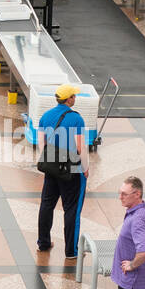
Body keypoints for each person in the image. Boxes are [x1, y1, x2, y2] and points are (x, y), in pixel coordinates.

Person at [36, 84, 88, 258]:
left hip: (51, 166)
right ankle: (71, 251)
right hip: (71, 168)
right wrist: (85, 168)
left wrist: (50, 162)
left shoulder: (45, 116)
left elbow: (41, 145)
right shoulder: (76, 119)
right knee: (72, 209)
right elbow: (80, 148)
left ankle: (43, 243)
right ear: (68, 99)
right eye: (74, 96)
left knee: (47, 204)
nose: (75, 98)